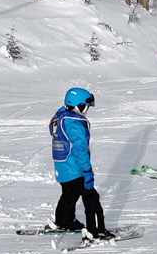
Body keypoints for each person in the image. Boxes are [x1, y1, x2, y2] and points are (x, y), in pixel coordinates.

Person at [48, 88, 114, 240]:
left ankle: (64, 221)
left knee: (69, 195)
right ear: (79, 106)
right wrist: (87, 172)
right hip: (75, 168)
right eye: (86, 107)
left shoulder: (60, 118)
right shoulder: (75, 124)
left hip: (62, 167)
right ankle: (96, 231)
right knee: (91, 197)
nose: (86, 111)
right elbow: (80, 150)